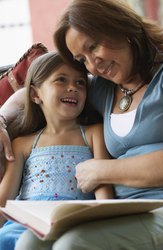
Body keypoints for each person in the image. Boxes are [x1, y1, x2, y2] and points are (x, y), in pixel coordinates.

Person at [0, 0, 163, 249]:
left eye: (93, 47)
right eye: (82, 59)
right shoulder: (106, 88)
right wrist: (1, 120)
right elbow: (32, 92)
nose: (93, 66)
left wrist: (99, 170)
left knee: (74, 245)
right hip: (132, 213)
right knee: (31, 241)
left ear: (119, 27)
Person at [0, 51, 113, 250]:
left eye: (80, 83)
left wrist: (106, 227)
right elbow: (4, 202)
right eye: (61, 80)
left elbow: (103, 190)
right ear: (35, 94)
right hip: (27, 222)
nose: (73, 88)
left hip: (73, 220)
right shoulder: (22, 144)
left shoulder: (94, 134)